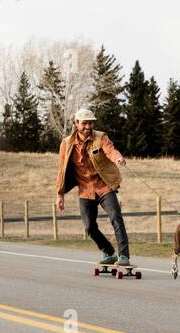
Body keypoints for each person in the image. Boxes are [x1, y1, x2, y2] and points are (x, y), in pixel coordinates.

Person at [55, 108, 131, 266]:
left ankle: (124, 256)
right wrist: (60, 195)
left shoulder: (100, 137)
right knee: (89, 227)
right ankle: (108, 251)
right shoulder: (67, 143)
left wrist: (118, 158)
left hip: (104, 187)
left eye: (91, 122)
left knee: (116, 218)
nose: (88, 126)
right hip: (85, 191)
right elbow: (61, 170)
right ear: (76, 123)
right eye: (84, 123)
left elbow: (111, 150)